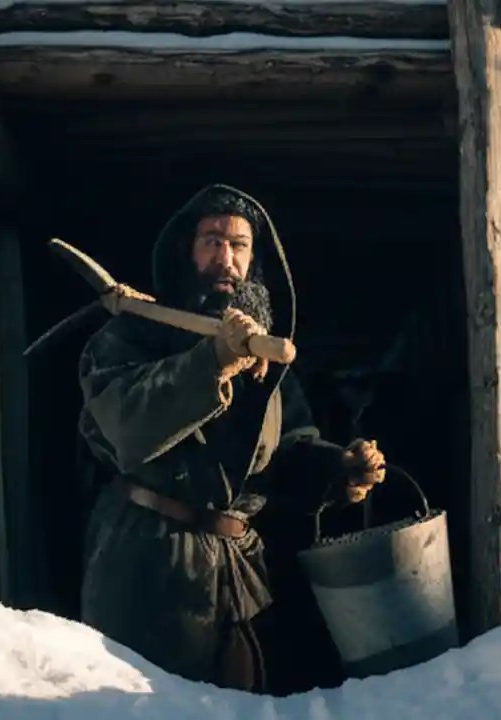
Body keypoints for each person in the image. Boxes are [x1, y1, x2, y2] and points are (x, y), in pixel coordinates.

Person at [74, 183, 387, 693]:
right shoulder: (131, 336)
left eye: (239, 245)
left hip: (238, 564)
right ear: (186, 250)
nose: (226, 257)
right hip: (149, 560)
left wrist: (336, 468)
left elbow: (286, 447)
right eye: (212, 241)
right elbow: (127, 425)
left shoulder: (265, 354)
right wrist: (211, 361)